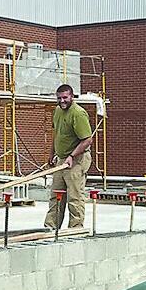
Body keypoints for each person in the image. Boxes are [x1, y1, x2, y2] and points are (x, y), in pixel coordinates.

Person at [45, 84, 93, 229]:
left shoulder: (78, 113)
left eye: (65, 97)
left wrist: (72, 156)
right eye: (59, 98)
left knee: (74, 196)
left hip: (77, 160)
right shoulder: (58, 111)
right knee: (56, 195)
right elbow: (57, 134)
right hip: (62, 159)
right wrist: (52, 153)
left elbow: (87, 140)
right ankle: (51, 227)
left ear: (72, 96)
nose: (62, 101)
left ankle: (75, 228)